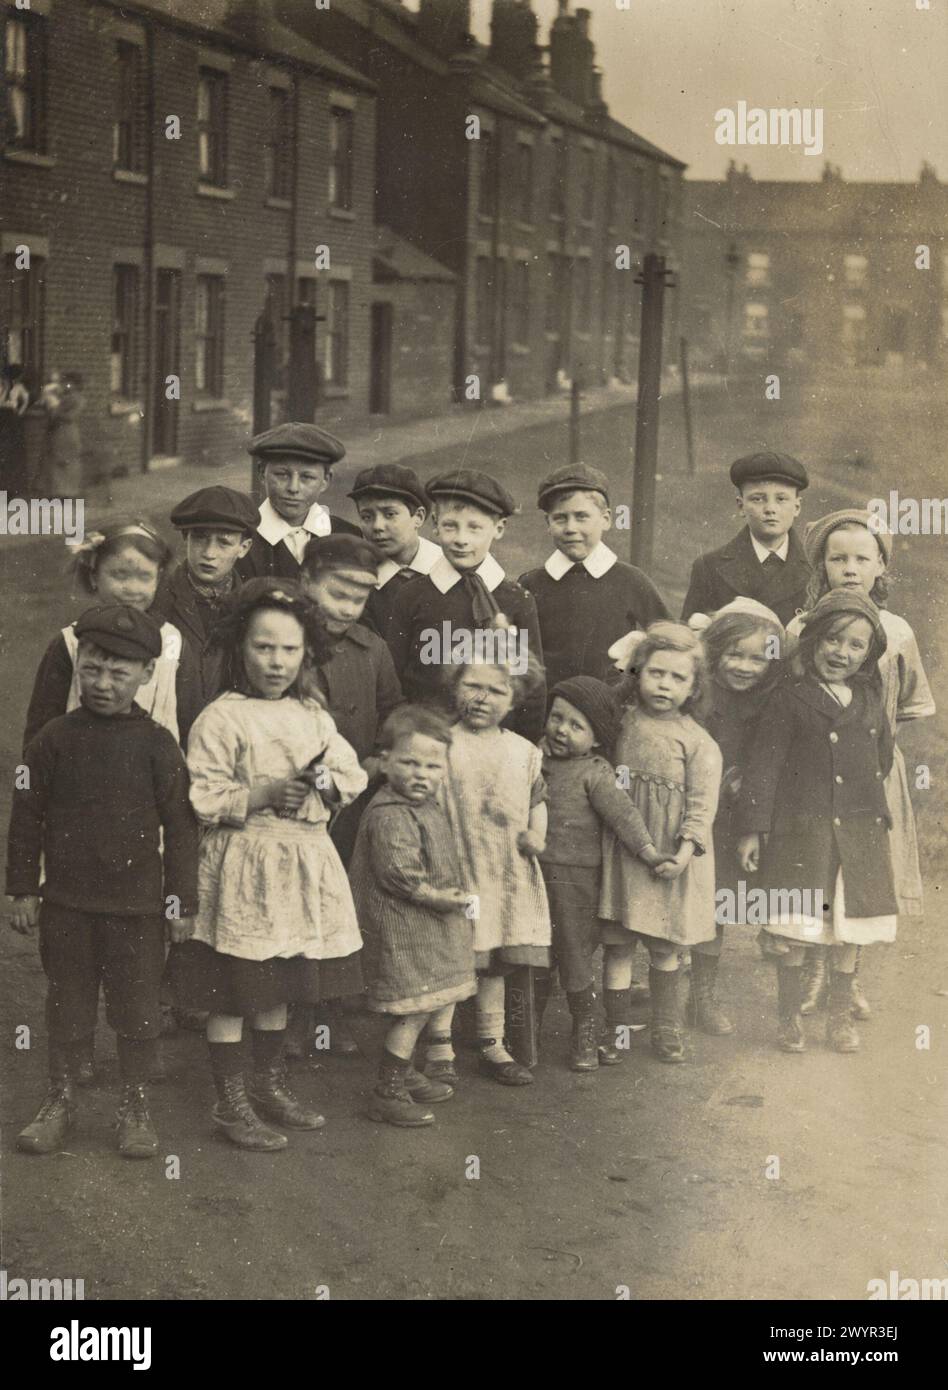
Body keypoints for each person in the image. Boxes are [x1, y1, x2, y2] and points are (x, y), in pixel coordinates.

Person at [171, 581, 368, 1150]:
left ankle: (267, 1083)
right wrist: (263, 792)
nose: (276, 661)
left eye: (288, 649)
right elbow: (204, 796)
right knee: (236, 986)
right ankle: (229, 1100)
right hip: (244, 861)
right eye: (263, 648)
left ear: (307, 652)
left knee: (278, 979)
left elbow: (349, 776)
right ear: (240, 649)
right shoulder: (223, 717)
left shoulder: (313, 716)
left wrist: (315, 783)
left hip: (302, 858)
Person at [7, 606, 198, 1159]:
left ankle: (134, 1104)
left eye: (119, 673)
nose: (103, 684)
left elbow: (181, 828)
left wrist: (180, 901)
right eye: (92, 670)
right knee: (67, 1000)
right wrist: (23, 887)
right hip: (67, 901)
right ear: (78, 668)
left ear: (146, 676)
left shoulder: (159, 743)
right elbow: (26, 815)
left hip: (136, 906)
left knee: (137, 1007)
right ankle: (59, 1100)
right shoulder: (52, 739)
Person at [787, 509, 934, 1017]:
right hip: (813, 774)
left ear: (881, 568)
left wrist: (872, 743)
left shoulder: (897, 633)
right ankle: (811, 971)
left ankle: (846, 982)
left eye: (862, 558)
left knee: (861, 878)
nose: (850, 567)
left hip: (871, 776)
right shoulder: (801, 627)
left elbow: (911, 705)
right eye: (837, 558)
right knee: (815, 872)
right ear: (821, 567)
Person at [736, 589, 896, 1054]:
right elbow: (764, 767)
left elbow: (882, 756)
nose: (841, 653)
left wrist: (872, 809)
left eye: (855, 645)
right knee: (796, 927)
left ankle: (841, 1017)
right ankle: (788, 1017)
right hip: (802, 832)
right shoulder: (791, 698)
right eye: (832, 640)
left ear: (869, 653)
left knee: (851, 925)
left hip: (860, 831)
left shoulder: (868, 699)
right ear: (812, 641)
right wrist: (752, 827)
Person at [296, 534, 404, 1056]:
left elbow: (390, 716)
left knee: (340, 906)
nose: (345, 608)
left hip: (354, 804)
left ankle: (328, 1016)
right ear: (305, 583)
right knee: (297, 905)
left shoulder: (372, 649)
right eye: (335, 592)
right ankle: (289, 1016)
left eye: (357, 599)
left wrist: (379, 761)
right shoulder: (284, 644)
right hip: (297, 802)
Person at [599, 623, 722, 1064]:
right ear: (638, 672)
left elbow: (701, 808)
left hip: (670, 857)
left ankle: (666, 1029)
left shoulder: (698, 742)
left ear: (693, 687)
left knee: (665, 948)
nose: (664, 685)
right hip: (624, 850)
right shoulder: (620, 724)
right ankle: (616, 1032)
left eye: (677, 678)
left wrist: (684, 854)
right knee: (617, 944)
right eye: (656, 673)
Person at [350, 705, 476, 1126]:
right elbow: (399, 874)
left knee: (426, 1001)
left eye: (431, 765)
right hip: (401, 927)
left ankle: (403, 1074)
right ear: (384, 762)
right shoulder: (391, 814)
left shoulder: (425, 805)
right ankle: (387, 1090)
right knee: (412, 1009)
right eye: (408, 762)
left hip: (423, 924)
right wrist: (439, 897)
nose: (421, 774)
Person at [539, 676, 672, 1071]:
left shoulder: (596, 772)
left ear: (597, 739)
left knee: (574, 955)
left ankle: (586, 1027)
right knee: (535, 958)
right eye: (557, 718)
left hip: (577, 882)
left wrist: (649, 853)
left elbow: (624, 816)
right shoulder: (535, 760)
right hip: (533, 875)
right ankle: (521, 1033)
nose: (562, 730)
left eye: (576, 725)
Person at [438, 650, 551, 1085]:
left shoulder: (522, 751)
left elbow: (538, 802)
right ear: (455, 687)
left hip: (503, 872)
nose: (483, 698)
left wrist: (535, 835)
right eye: (473, 686)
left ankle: (491, 1042)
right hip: (457, 868)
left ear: (514, 698)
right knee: (452, 960)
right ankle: (439, 1045)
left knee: (495, 963)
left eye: (496, 690)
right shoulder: (442, 743)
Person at [388, 468, 546, 740]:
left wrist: (524, 746)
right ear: (435, 524)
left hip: (495, 740)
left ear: (498, 528)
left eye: (475, 527)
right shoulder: (411, 595)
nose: (461, 539)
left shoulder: (516, 599)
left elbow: (531, 688)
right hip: (426, 738)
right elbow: (393, 678)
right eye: (451, 526)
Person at [690, 599, 786, 1035]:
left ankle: (701, 996)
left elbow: (769, 757)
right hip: (684, 810)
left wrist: (743, 784)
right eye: (735, 654)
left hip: (727, 820)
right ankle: (657, 987)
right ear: (712, 651)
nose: (746, 667)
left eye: (758, 658)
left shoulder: (770, 703)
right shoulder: (696, 694)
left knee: (717, 901)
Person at [24, 517, 199, 750]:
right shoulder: (69, 642)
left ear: (158, 578)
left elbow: (191, 730)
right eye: (119, 575)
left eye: (144, 576)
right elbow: (40, 729)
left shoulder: (173, 643)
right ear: (95, 576)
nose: (132, 589)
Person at [519, 464, 668, 690]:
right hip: (547, 706)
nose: (570, 528)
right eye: (560, 518)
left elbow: (667, 640)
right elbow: (519, 653)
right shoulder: (531, 584)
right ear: (547, 524)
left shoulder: (630, 580)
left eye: (581, 517)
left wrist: (631, 674)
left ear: (606, 519)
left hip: (611, 702)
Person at [151, 486, 258, 717]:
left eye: (224, 542)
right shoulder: (156, 598)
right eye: (199, 538)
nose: (209, 553)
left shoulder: (255, 608)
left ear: (244, 548)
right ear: (186, 538)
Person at [681, 451, 811, 628]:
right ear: (741, 506)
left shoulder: (816, 566)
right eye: (758, 499)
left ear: (797, 507)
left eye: (781, 499)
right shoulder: (709, 568)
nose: (770, 508)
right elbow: (690, 641)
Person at [237, 422, 360, 582]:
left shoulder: (347, 536)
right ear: (261, 473)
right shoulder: (242, 538)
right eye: (282, 474)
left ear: (325, 480)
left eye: (307, 477)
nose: (293, 488)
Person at [347, 464, 441, 642]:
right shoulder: (356, 579)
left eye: (390, 514)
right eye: (367, 516)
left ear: (419, 517)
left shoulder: (447, 567)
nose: (377, 526)